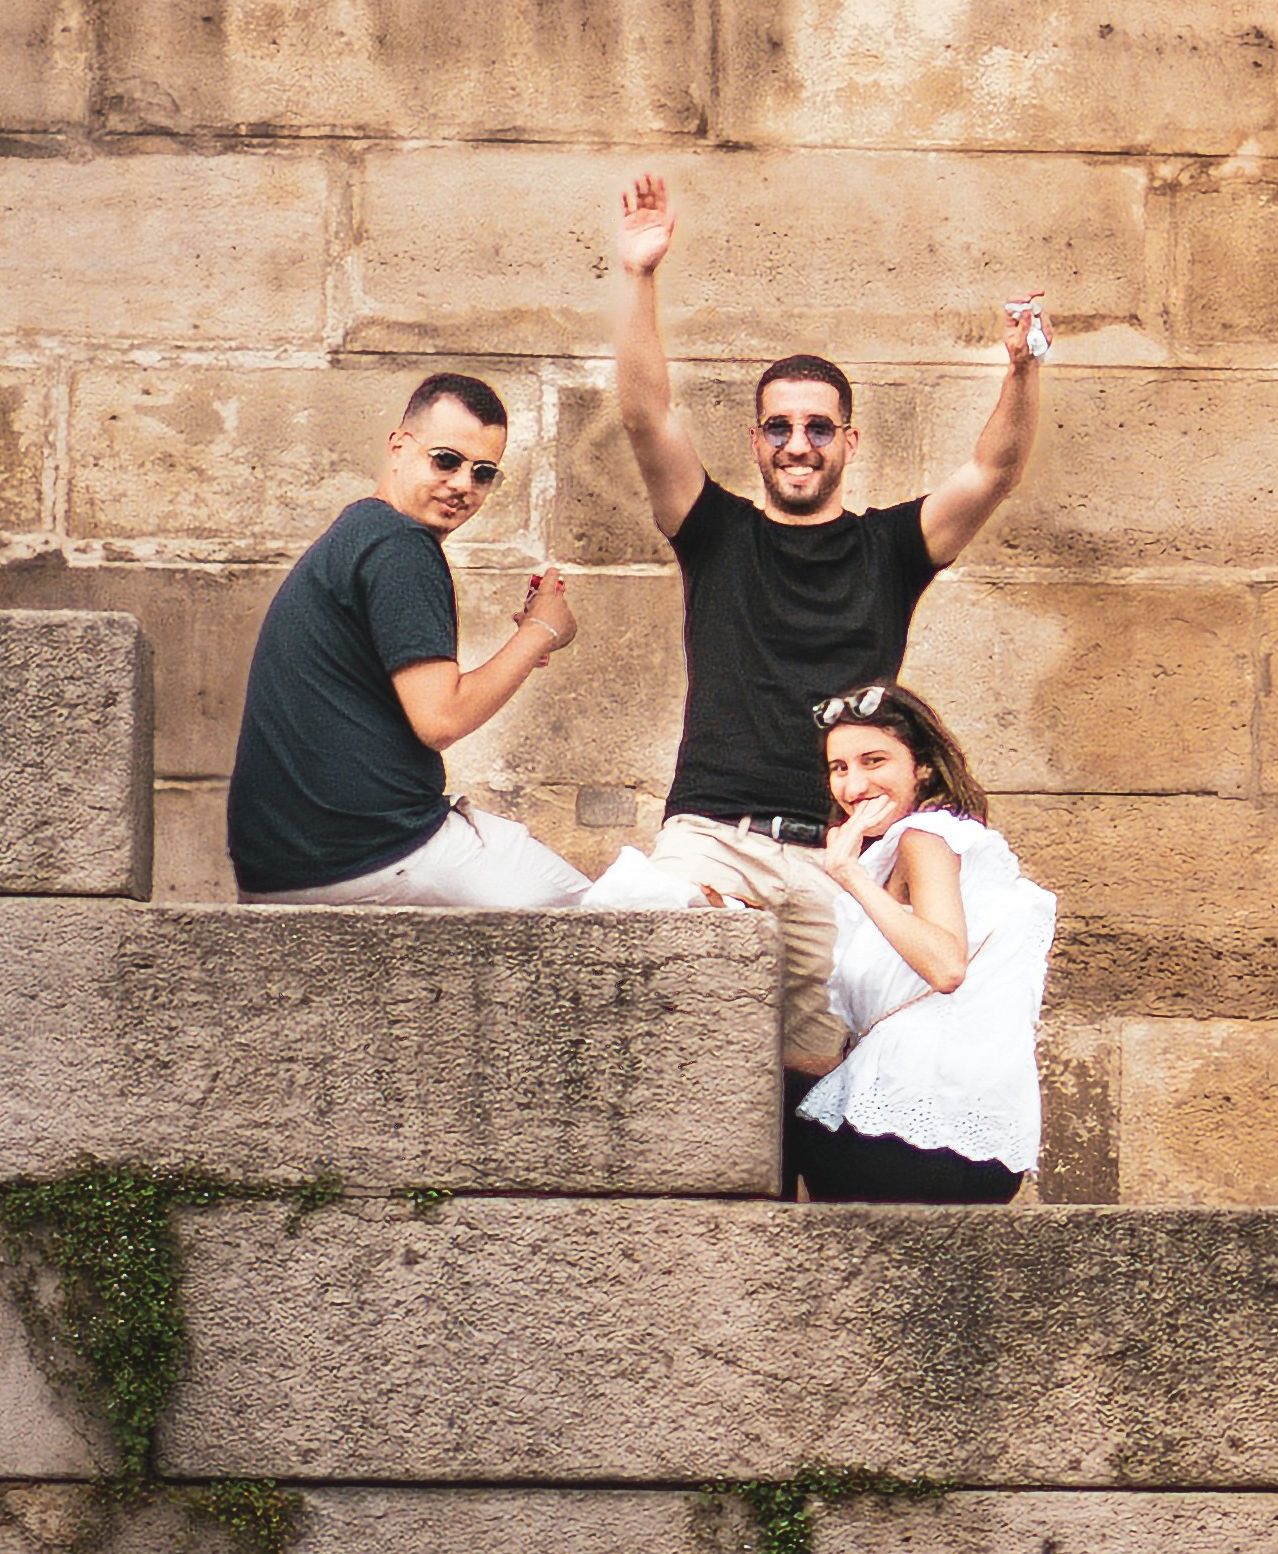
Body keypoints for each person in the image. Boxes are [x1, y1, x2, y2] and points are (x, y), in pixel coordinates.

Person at [605, 165, 1043, 1084]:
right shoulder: (714, 532)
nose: (796, 443)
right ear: (756, 439)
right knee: (646, 991)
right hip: (710, 836)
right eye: (777, 427)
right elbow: (646, 418)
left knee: (809, 1079)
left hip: (830, 856)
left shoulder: (892, 549)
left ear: (849, 440)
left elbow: (990, 473)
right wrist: (640, 276)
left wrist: (1020, 369)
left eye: (816, 427)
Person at [224, 370, 591, 906]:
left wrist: (529, 642)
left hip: (292, 864)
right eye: (446, 460)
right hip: (372, 854)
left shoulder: (360, 534)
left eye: (484, 473)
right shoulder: (402, 547)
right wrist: (542, 630)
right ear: (399, 446)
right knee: (606, 923)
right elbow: (441, 719)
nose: (464, 484)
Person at [789, 680, 1054, 1206]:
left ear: (924, 768)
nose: (854, 785)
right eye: (840, 768)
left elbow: (946, 966)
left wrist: (849, 875)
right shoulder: (911, 848)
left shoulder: (925, 836)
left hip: (926, 1147)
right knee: (778, 1085)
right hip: (959, 1150)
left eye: (874, 761)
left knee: (751, 1105)